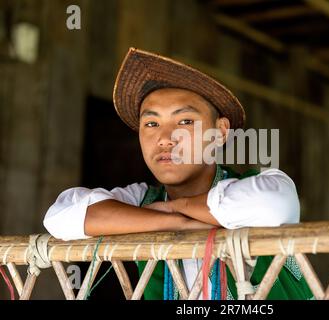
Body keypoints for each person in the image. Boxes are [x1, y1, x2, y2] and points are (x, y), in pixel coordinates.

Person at [43, 48, 313, 300]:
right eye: (151, 123)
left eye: (184, 121)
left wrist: (176, 208)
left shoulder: (264, 186)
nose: (165, 139)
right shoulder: (143, 200)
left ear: (220, 133)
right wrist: (175, 224)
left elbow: (273, 206)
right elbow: (60, 218)